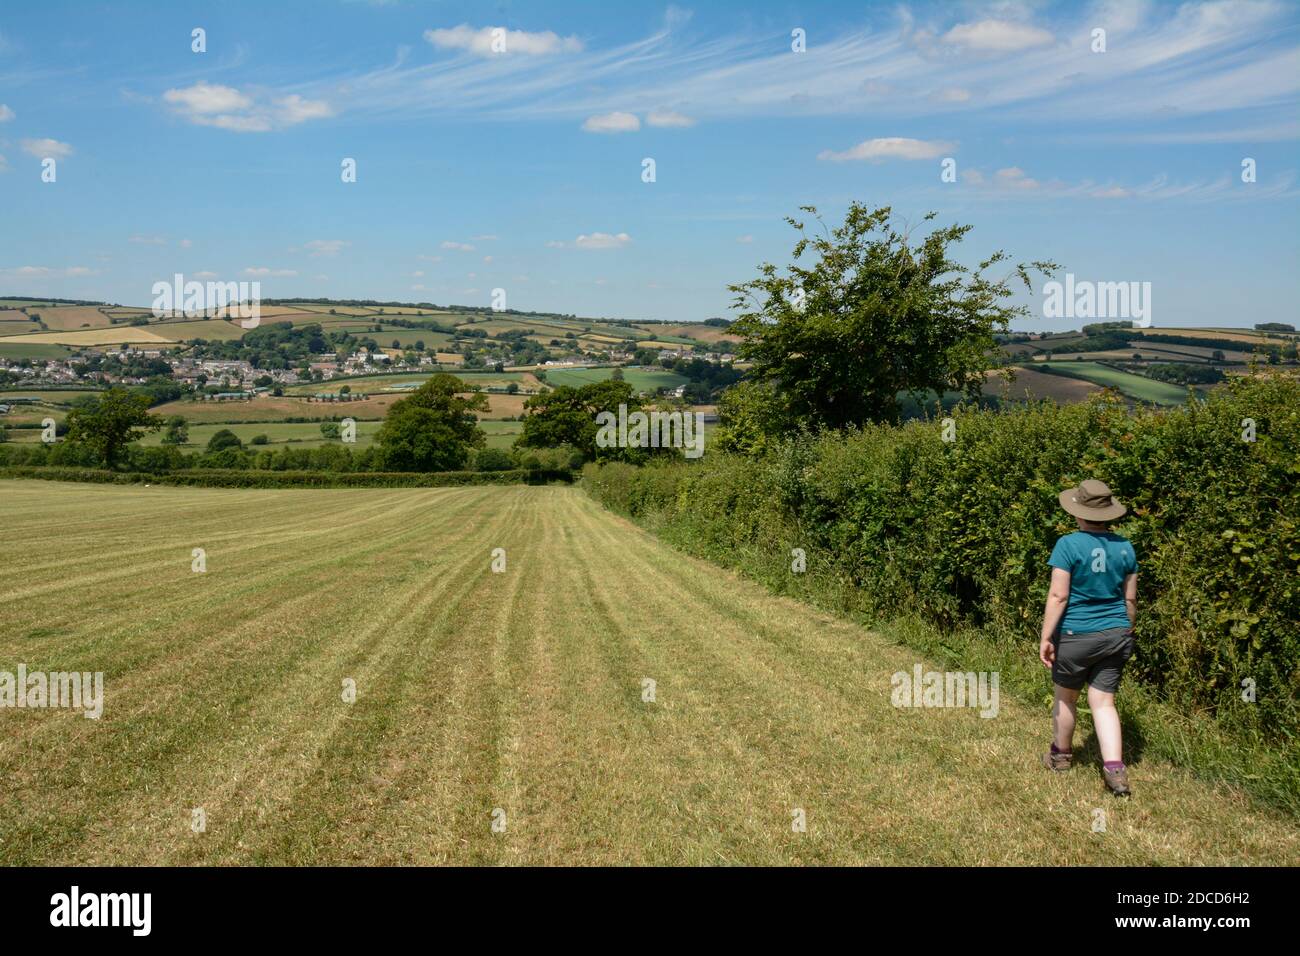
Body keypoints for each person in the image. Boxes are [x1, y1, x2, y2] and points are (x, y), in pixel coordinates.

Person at [1038, 479, 1138, 796]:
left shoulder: (1068, 545)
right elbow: (1130, 601)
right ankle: (1114, 770)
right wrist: (1127, 628)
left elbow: (1058, 596)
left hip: (1076, 635)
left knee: (1066, 698)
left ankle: (1061, 756)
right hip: (1117, 634)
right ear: (1109, 514)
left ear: (1078, 513)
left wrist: (1045, 636)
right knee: (1104, 702)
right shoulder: (1126, 548)